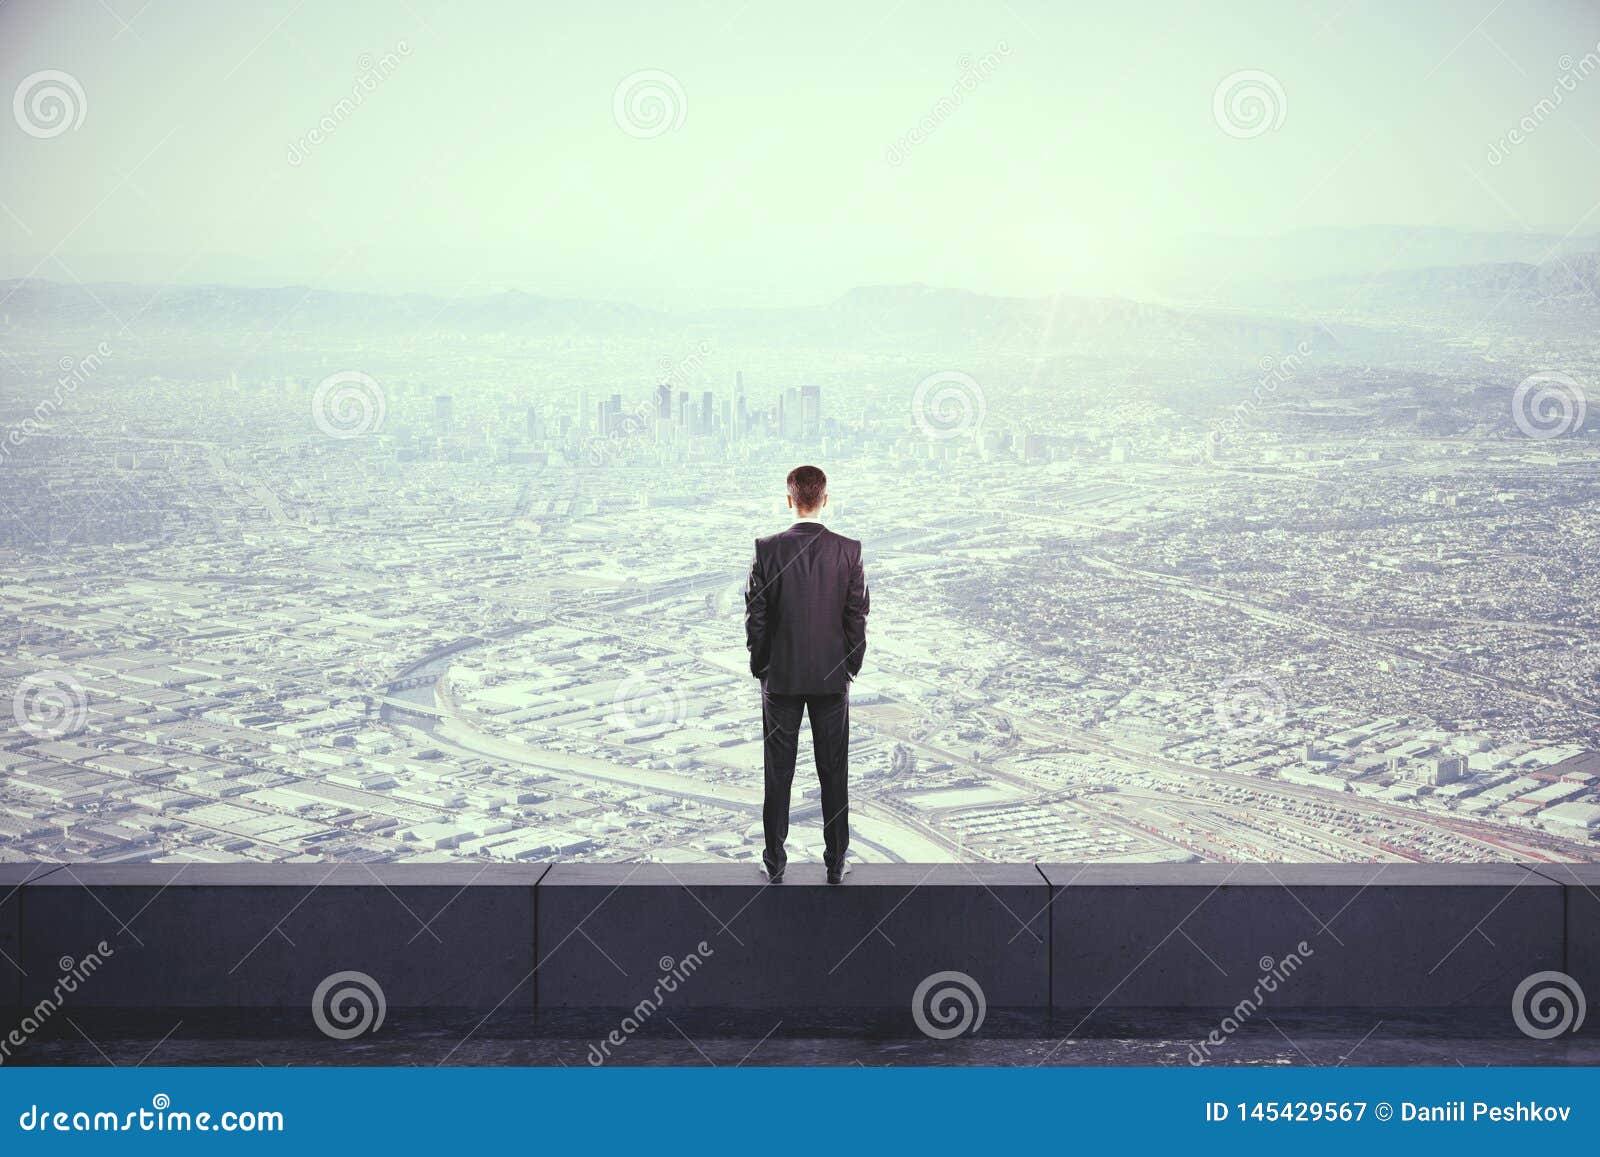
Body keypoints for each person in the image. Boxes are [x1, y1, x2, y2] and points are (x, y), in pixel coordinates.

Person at [744, 465, 869, 884]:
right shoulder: (848, 550)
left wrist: (762, 666)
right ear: (825, 498)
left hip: (780, 678)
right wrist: (849, 665)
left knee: (778, 770)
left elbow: (756, 619)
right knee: (833, 770)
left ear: (789, 499)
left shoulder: (766, 549)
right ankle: (835, 863)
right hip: (832, 679)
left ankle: (775, 862)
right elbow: (856, 615)